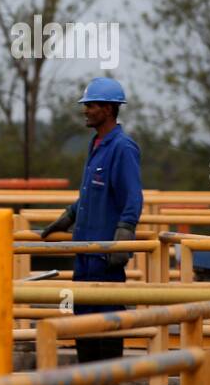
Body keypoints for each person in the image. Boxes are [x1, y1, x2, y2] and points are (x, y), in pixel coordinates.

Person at [40, 77, 143, 363]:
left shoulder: (122, 148)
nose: (85, 110)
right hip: (85, 254)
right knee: (82, 323)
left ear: (109, 109)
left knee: (106, 323)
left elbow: (133, 197)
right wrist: (69, 216)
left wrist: (124, 233)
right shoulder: (96, 144)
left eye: (91, 105)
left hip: (104, 257)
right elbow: (91, 194)